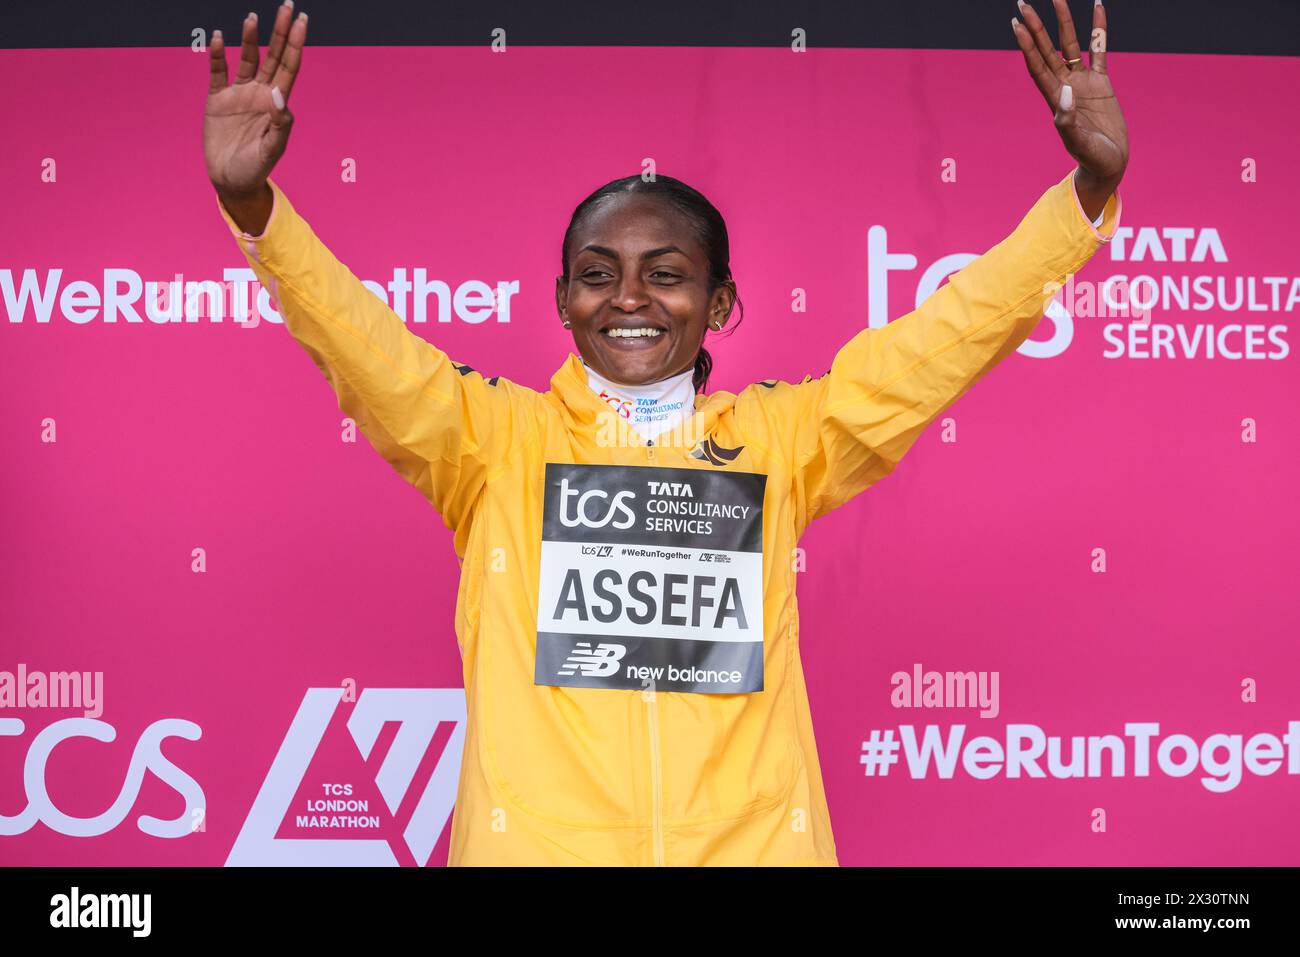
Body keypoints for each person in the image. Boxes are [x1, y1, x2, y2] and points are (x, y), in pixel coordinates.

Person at [205, 0, 1127, 865]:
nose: (632, 298)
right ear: (564, 302)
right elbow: (361, 345)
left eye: (668, 272)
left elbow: (944, 341)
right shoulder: (491, 442)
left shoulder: (781, 441)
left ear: (718, 301)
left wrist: (1085, 196)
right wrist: (260, 214)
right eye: (598, 274)